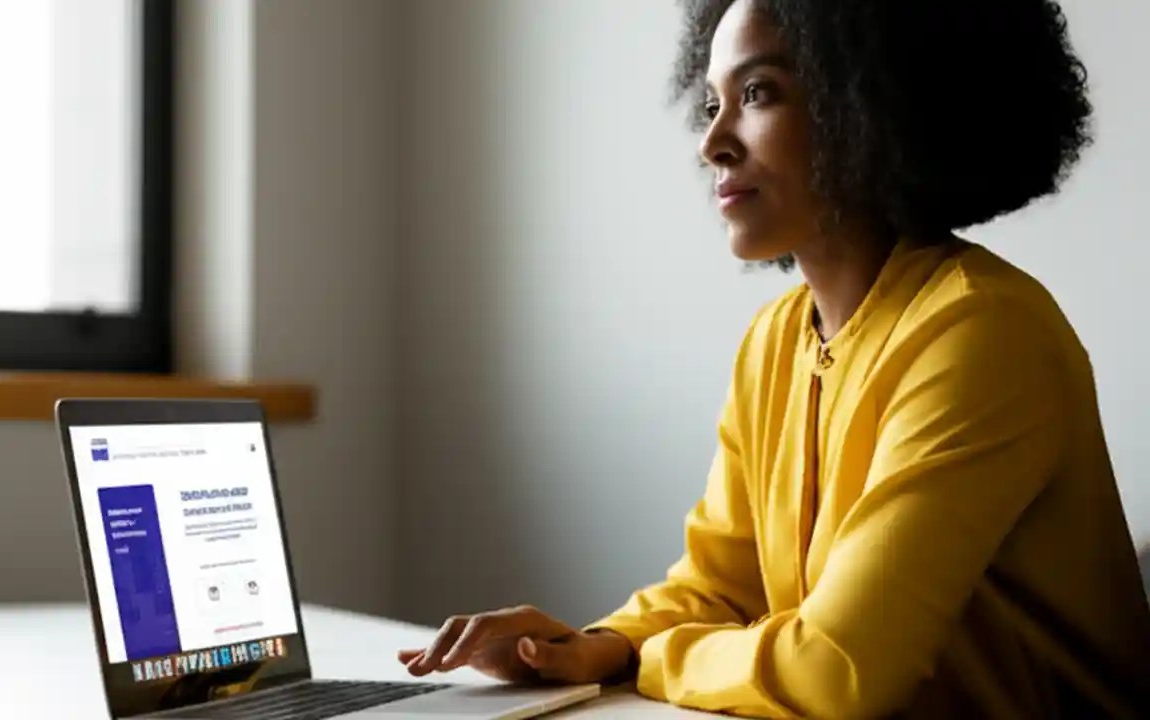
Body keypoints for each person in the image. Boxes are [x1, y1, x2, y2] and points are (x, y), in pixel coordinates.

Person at [397, 0, 1150, 717]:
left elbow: (838, 669)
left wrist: (644, 660)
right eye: (709, 104)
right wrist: (592, 645)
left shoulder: (981, 332)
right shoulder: (775, 340)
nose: (713, 141)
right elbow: (720, 585)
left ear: (870, 100)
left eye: (758, 93)